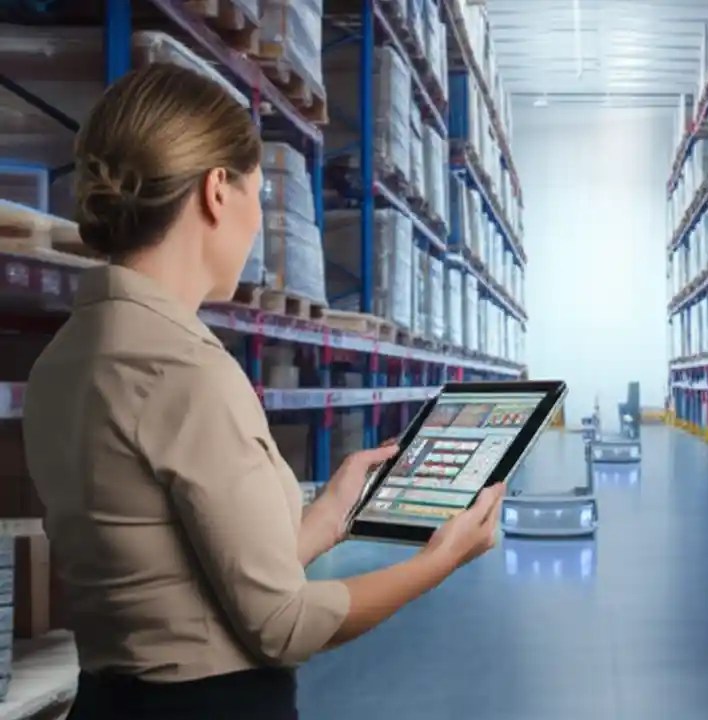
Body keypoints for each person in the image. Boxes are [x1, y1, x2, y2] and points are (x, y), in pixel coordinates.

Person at [21, 63, 503, 719]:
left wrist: (326, 521)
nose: (257, 224)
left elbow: (177, 576)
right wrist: (442, 558)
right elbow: (281, 625)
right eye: (257, 195)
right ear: (218, 191)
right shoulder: (183, 369)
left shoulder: (65, 356)